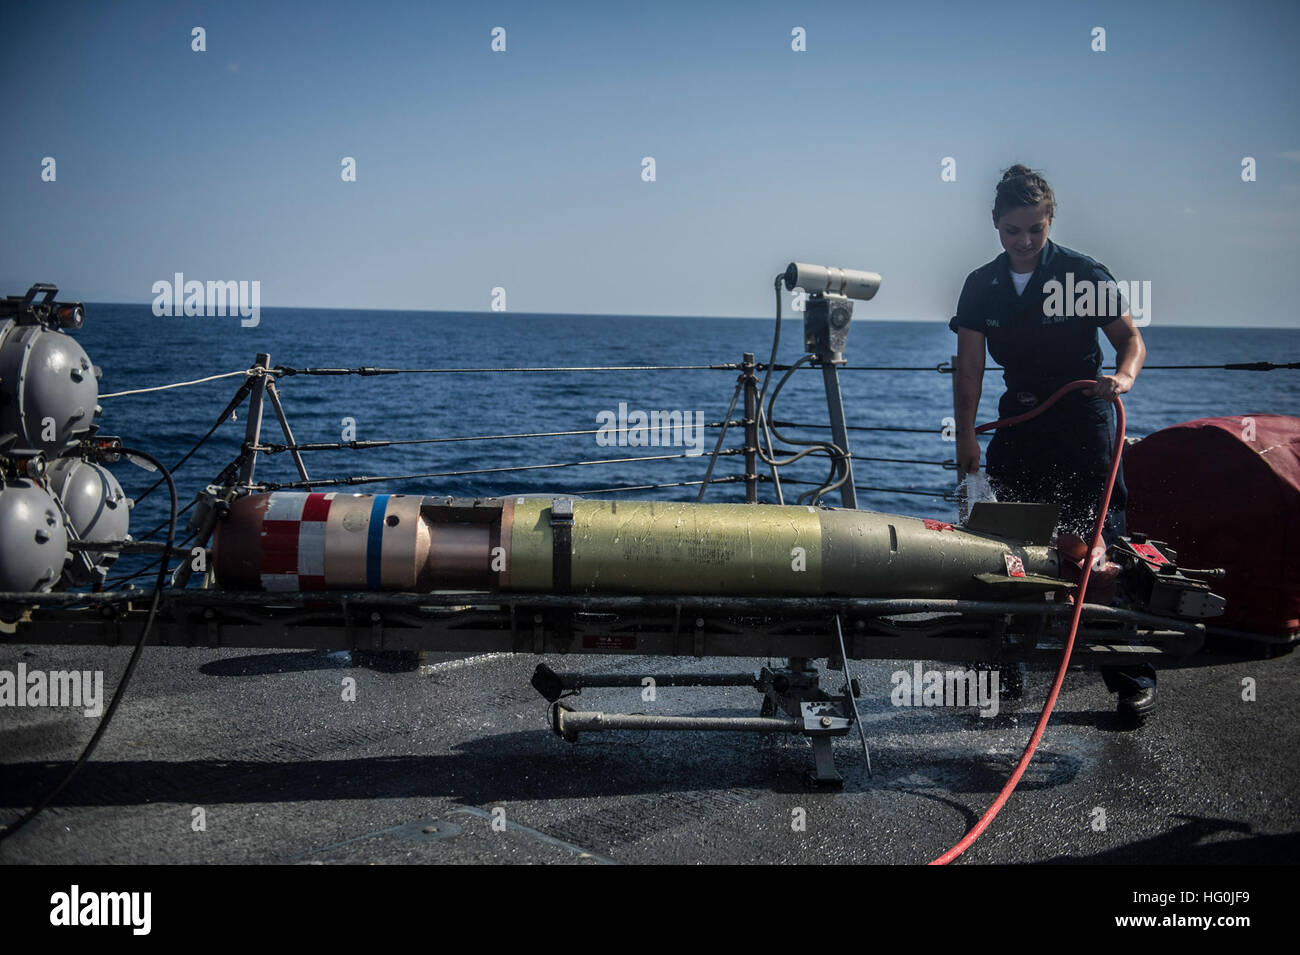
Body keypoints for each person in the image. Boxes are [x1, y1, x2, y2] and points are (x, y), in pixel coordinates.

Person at [949, 164, 1156, 725]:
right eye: (1013, 230)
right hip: (1019, 421)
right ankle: (1002, 669)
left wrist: (1125, 378)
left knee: (1095, 551)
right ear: (995, 224)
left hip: (1083, 418)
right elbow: (968, 369)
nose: (1024, 241)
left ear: (1049, 222)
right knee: (1005, 546)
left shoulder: (1082, 274)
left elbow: (1129, 340)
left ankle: (1131, 679)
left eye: (1034, 230)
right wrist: (966, 435)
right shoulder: (980, 284)